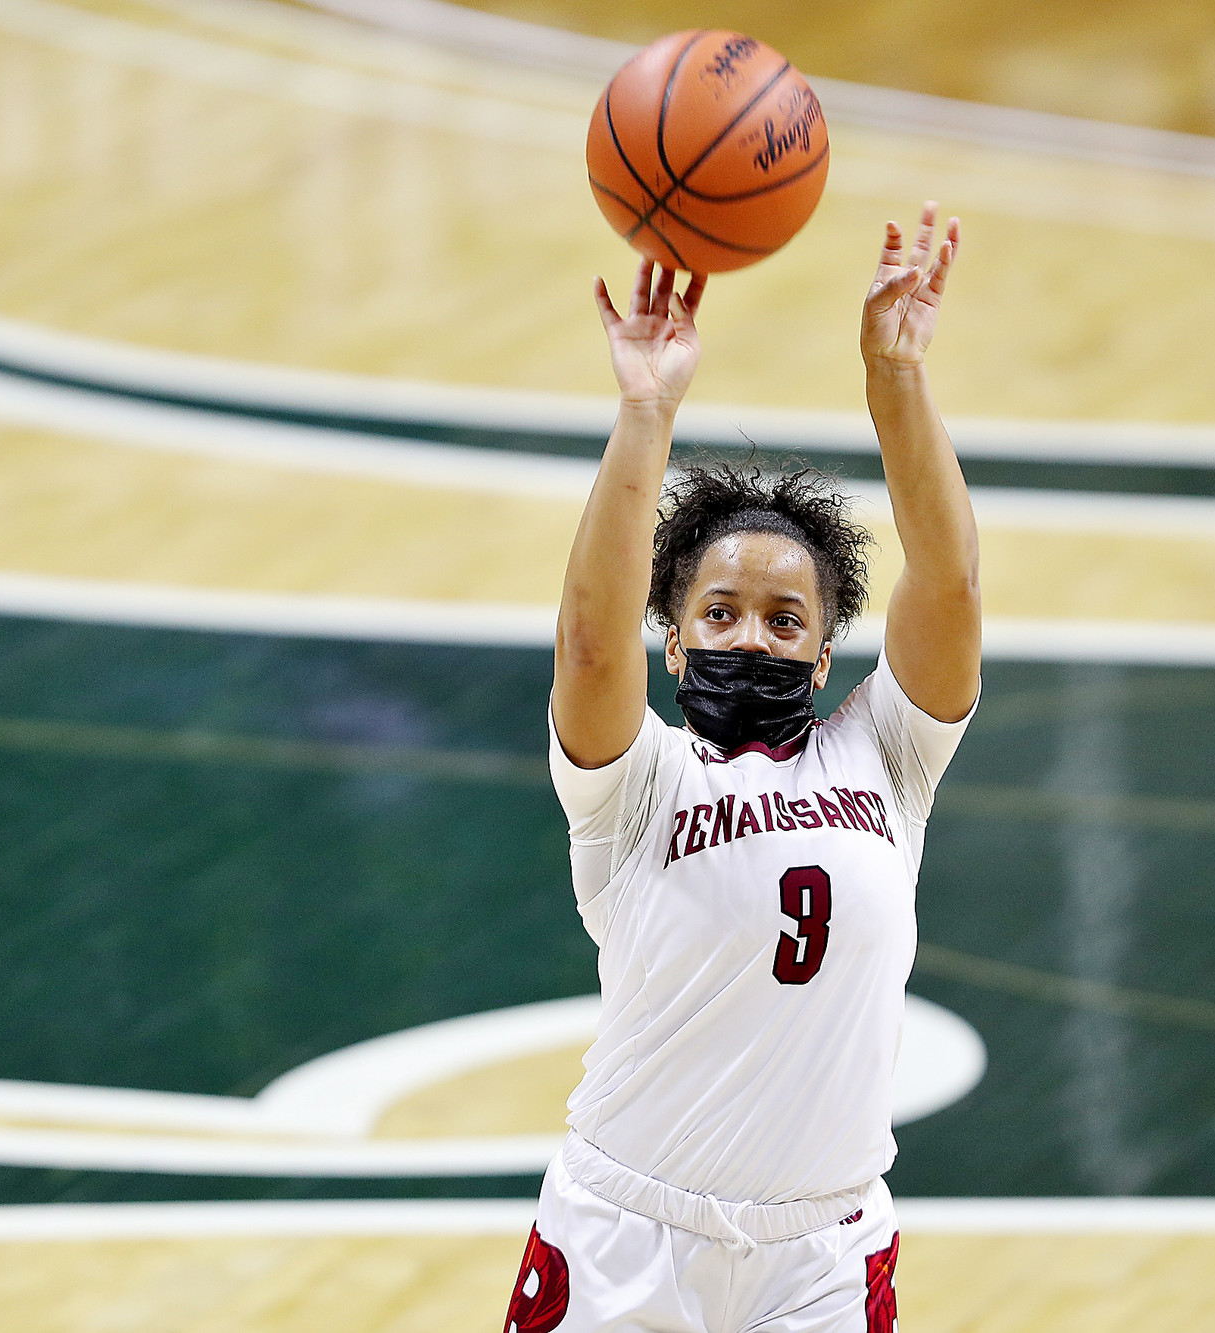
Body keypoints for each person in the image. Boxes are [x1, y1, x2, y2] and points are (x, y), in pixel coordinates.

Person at [504, 204, 981, 1333]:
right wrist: (643, 411)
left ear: (824, 650)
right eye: (718, 611)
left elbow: (950, 588)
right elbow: (586, 635)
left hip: (816, 1252)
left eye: (783, 617)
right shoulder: (634, 786)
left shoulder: (889, 753)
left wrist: (894, 375)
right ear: (673, 640)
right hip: (625, 1235)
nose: (750, 634)